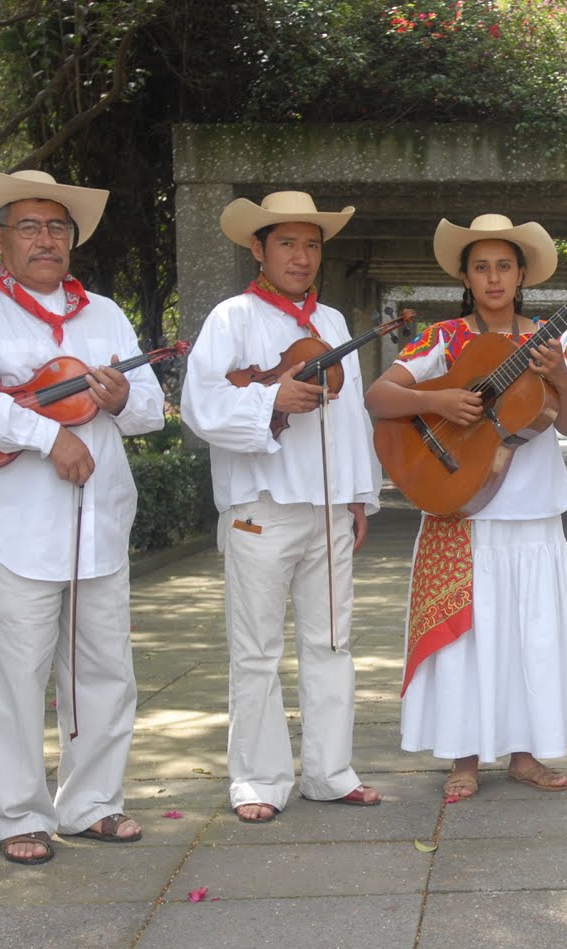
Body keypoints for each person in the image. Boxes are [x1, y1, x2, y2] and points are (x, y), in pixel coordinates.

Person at [0, 169, 166, 864]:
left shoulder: (106, 315)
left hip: (101, 523)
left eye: (57, 226)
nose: (45, 238)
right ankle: (17, 814)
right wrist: (46, 436)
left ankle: (92, 802)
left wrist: (121, 396)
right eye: (28, 226)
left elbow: (150, 411)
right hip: (13, 525)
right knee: (15, 676)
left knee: (103, 671)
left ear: (73, 239)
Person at [365, 213, 567, 800]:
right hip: (462, 506)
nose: (493, 278)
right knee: (468, 636)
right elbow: (379, 395)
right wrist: (439, 397)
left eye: (504, 267)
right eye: (481, 267)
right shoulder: (442, 338)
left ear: (521, 275)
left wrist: (561, 378)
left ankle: (525, 753)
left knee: (529, 632)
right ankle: (463, 756)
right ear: (465, 275)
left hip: (534, 508)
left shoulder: (549, 338)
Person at [181, 191, 383, 824]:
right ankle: (258, 780)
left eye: (313, 244)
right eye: (288, 243)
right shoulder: (232, 317)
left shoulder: (336, 324)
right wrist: (269, 404)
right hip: (261, 508)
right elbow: (200, 407)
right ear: (258, 248)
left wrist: (358, 495)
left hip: (327, 507)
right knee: (257, 649)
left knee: (332, 641)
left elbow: (351, 418)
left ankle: (329, 771)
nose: (302, 256)